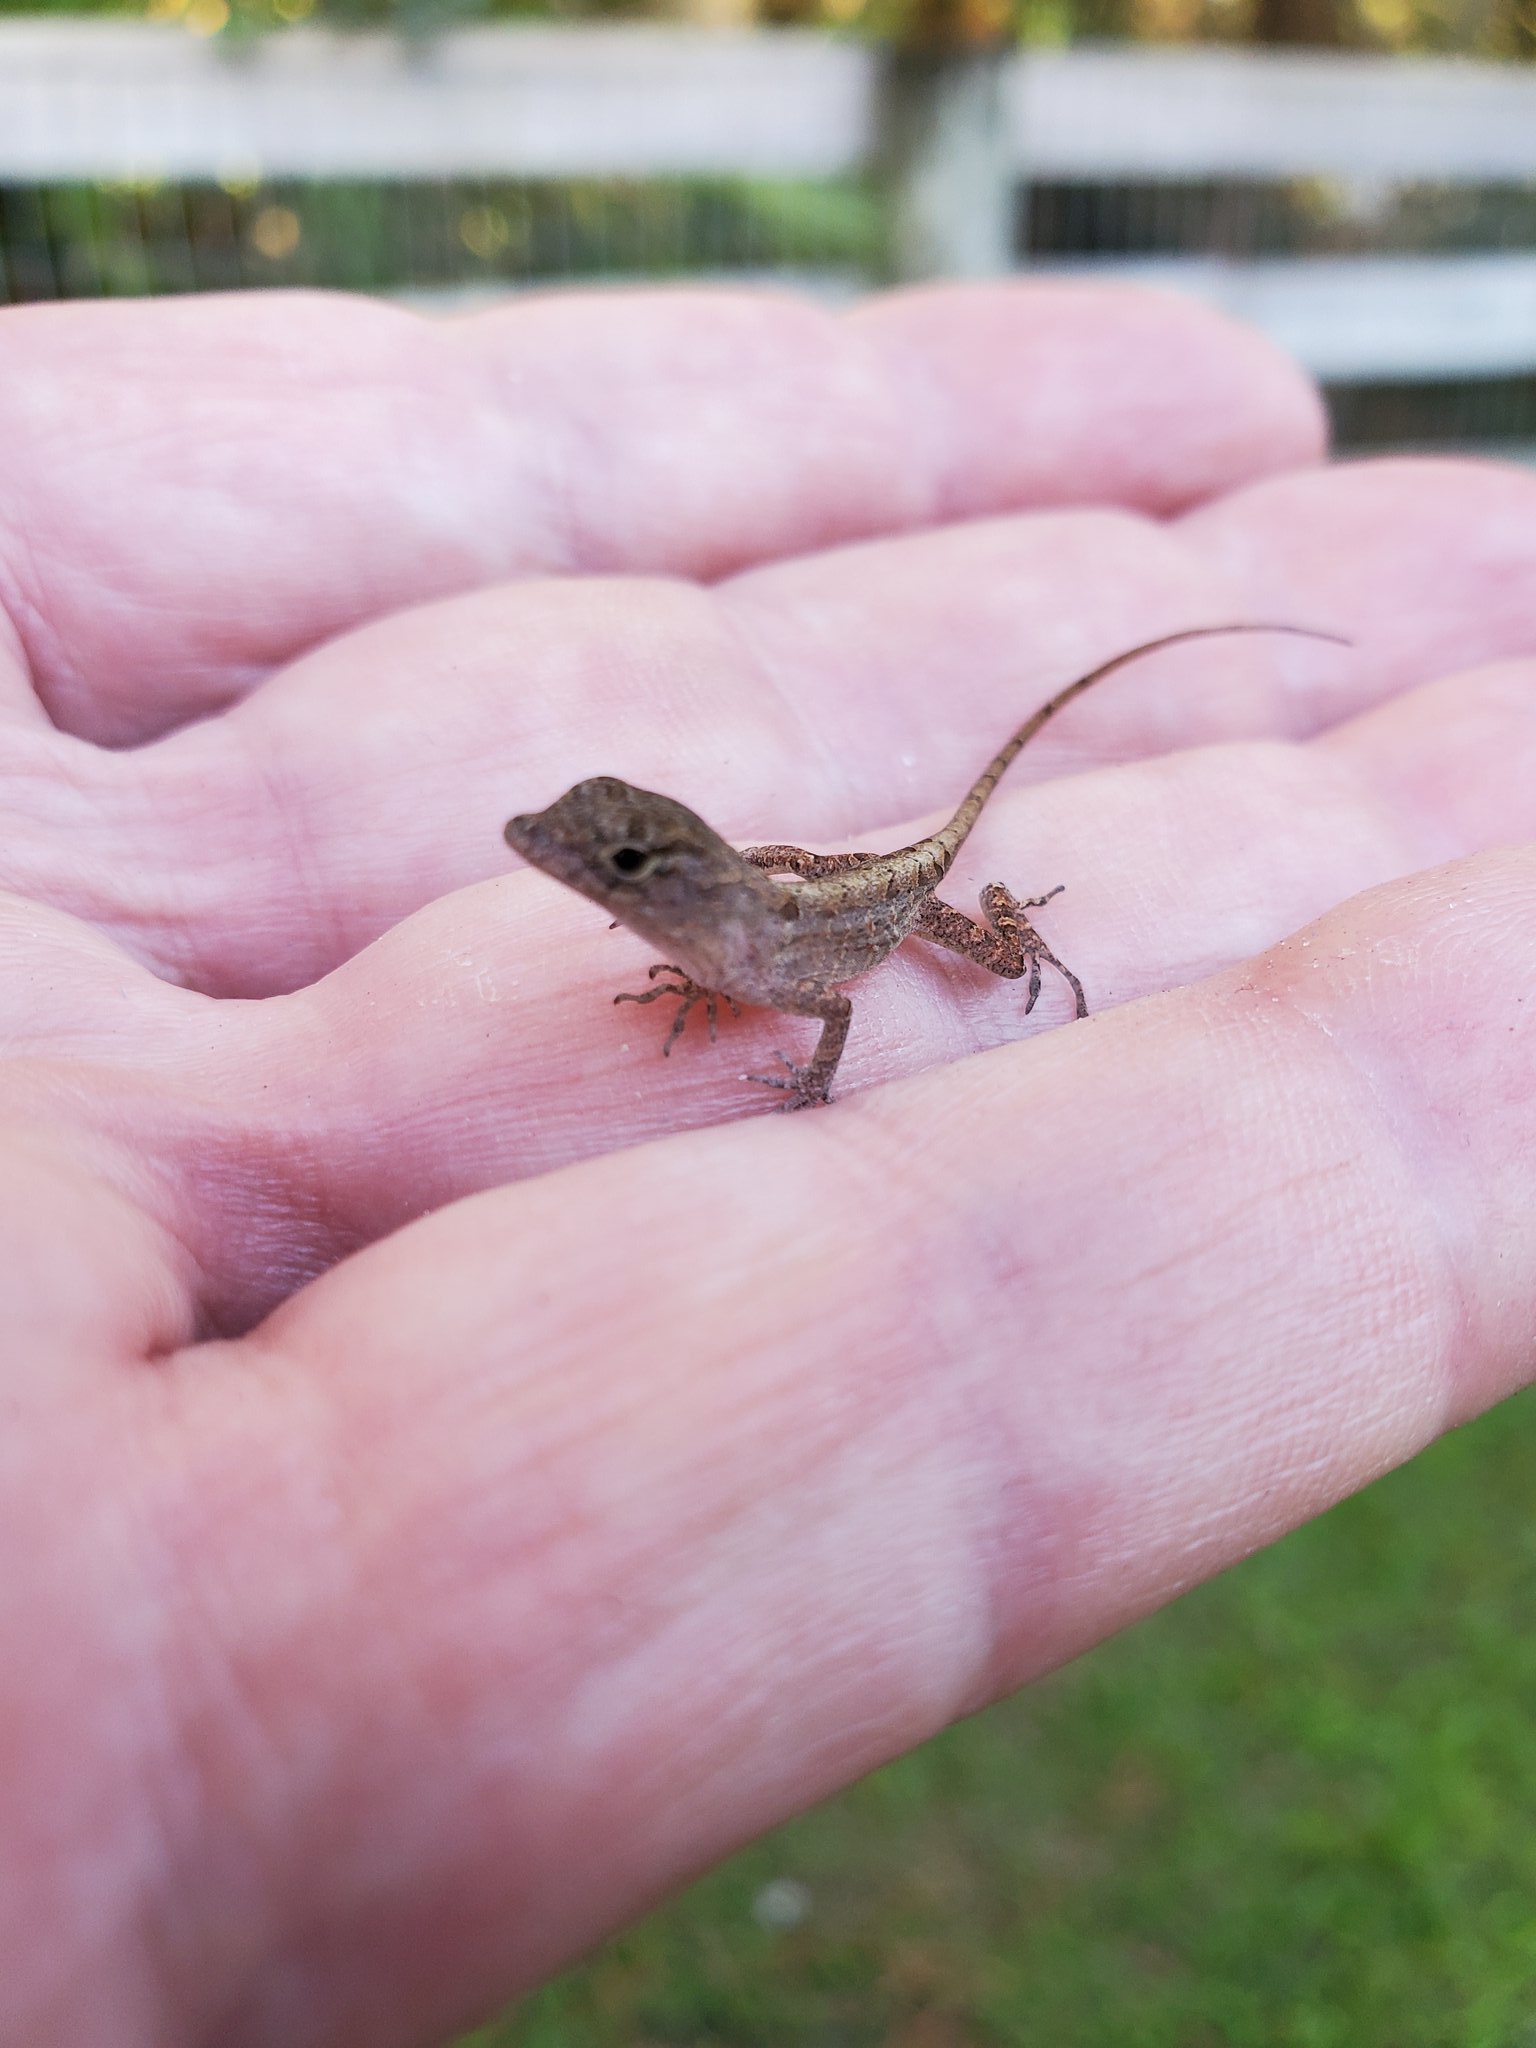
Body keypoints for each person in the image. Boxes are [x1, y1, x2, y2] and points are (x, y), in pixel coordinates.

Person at [2, 279, 1534, 2046]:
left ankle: (1015, 915)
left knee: (981, 962)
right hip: (776, 899)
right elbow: (712, 932)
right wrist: (695, 960)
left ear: (668, 876)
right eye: (591, 858)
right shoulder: (708, 922)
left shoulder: (778, 946)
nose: (561, 867)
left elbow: (836, 1004)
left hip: (853, 907)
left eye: (606, 866)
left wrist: (821, 1078)